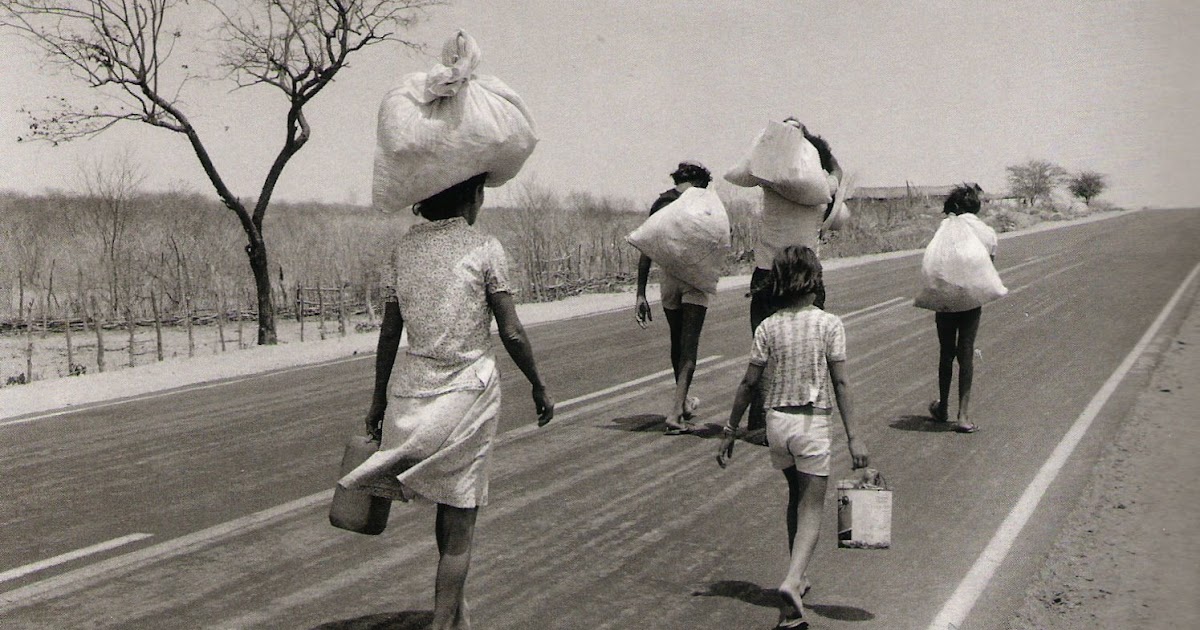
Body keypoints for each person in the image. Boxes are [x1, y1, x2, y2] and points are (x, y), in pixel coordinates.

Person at [338, 173, 555, 630]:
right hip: (467, 396)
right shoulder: (485, 248)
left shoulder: (404, 249)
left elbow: (389, 334)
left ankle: (457, 616)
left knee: (447, 501)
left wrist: (378, 400)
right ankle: (443, 625)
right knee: (460, 525)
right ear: (471, 196)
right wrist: (538, 384)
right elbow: (512, 331)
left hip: (412, 396)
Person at [717, 245, 869, 629]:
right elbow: (841, 383)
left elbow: (748, 383)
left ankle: (797, 580)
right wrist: (855, 437)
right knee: (813, 507)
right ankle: (792, 579)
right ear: (815, 280)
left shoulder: (768, 326)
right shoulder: (829, 324)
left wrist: (730, 430)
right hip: (810, 424)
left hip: (777, 425)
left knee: (795, 498)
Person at [746, 118, 843, 439]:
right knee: (809, 347)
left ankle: (760, 423)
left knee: (763, 348)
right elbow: (837, 175)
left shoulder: (769, 178)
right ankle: (803, 418)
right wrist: (815, 143)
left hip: (767, 271)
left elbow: (753, 165)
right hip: (806, 273)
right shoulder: (821, 185)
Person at [635, 161, 714, 434]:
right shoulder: (703, 202)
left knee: (677, 342)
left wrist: (640, 293)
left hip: (668, 280)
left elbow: (647, 246)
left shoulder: (663, 203)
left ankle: (684, 401)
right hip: (694, 279)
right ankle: (676, 413)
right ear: (701, 183)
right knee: (689, 348)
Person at [928, 184, 994, 434]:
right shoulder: (987, 232)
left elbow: (935, 261)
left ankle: (943, 407)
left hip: (946, 296)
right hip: (971, 299)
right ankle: (963, 416)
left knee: (946, 352)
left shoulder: (946, 227)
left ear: (955, 206)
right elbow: (989, 269)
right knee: (966, 352)